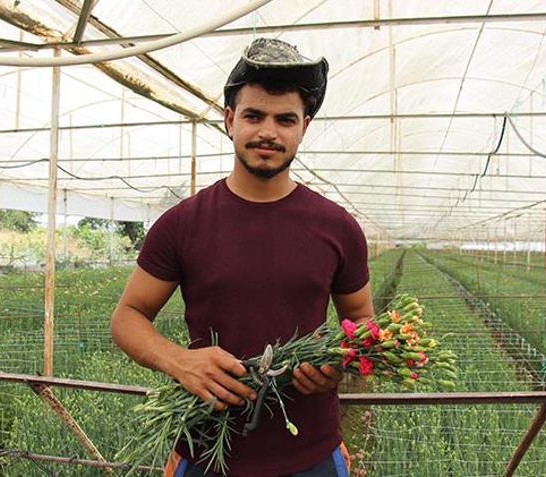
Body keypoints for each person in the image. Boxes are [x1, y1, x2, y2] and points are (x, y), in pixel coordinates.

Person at [111, 37, 373, 477]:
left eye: (285, 119)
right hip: (205, 454)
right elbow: (128, 316)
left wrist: (340, 363)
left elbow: (363, 321)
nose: (268, 132)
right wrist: (179, 361)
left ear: (303, 127)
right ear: (230, 120)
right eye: (254, 115)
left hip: (311, 457)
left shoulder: (338, 227)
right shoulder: (182, 223)